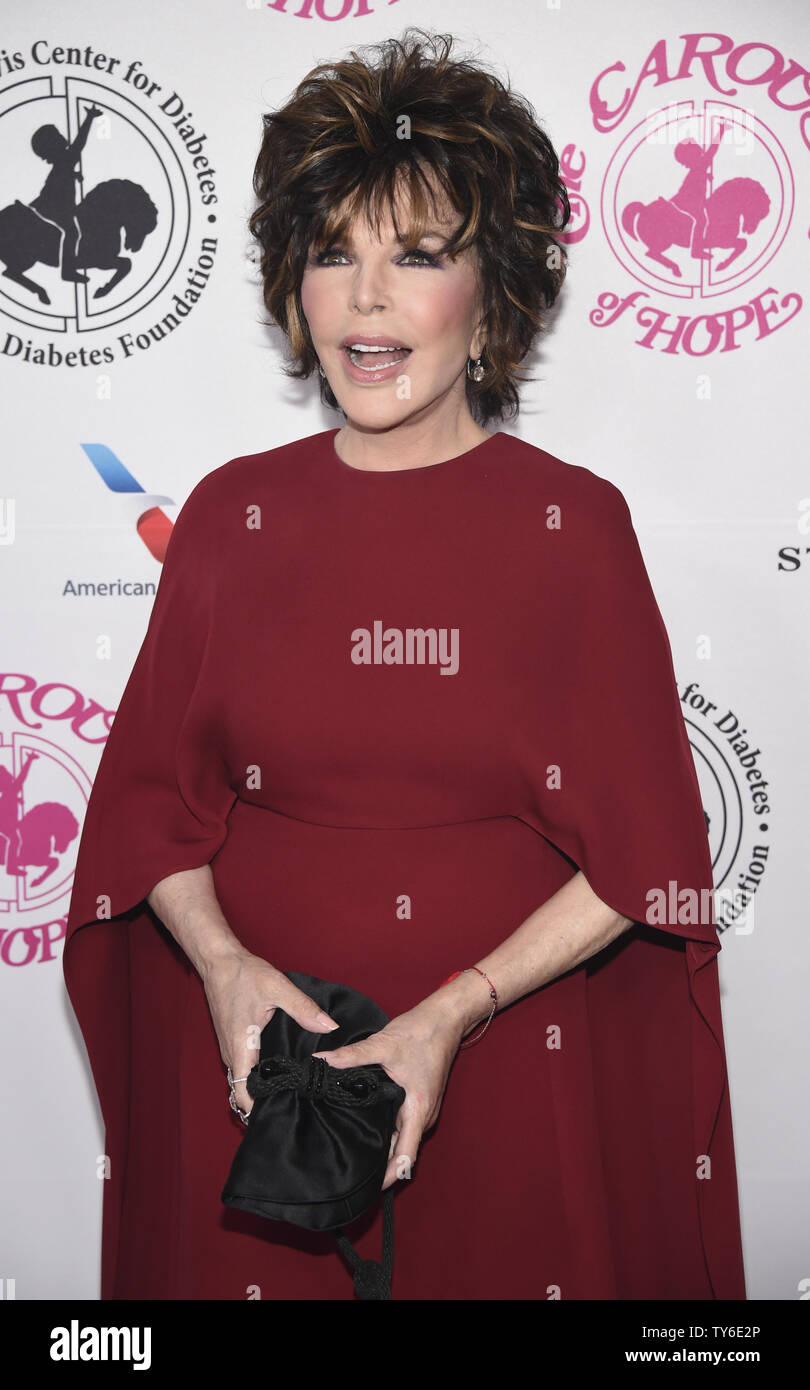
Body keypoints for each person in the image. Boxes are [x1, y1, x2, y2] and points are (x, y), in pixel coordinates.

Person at [63, 28, 746, 1301]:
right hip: (262, 1092)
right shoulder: (228, 515)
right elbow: (147, 810)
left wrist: (449, 1015)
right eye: (336, 254)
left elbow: (646, 857)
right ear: (292, 284)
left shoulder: (574, 526)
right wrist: (222, 971)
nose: (366, 300)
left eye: (416, 255)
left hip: (506, 1068)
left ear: (489, 295)